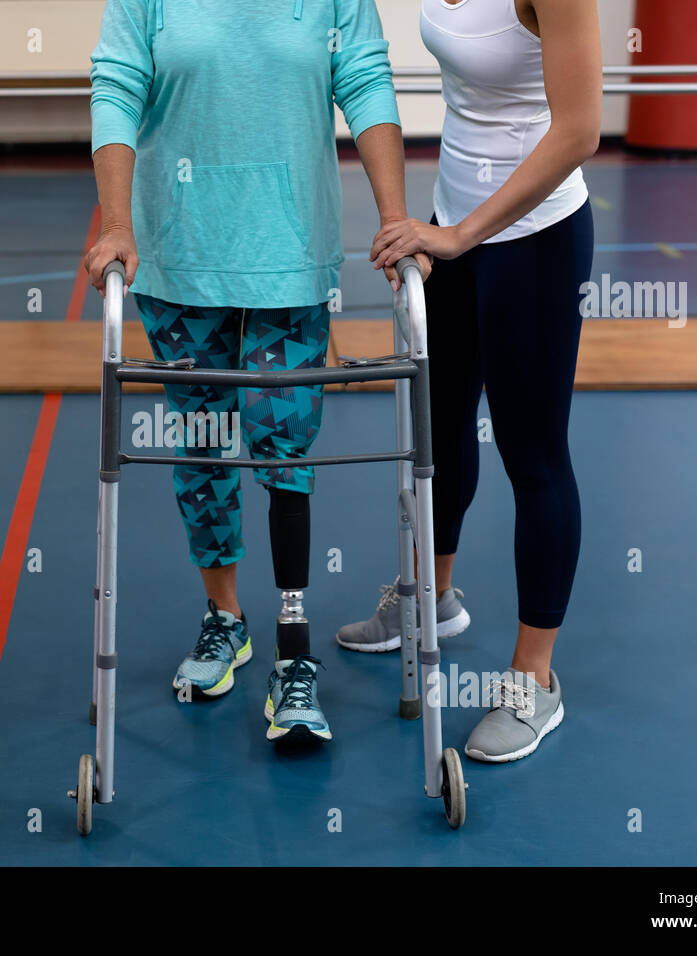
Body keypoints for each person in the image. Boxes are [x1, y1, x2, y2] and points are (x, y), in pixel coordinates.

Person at [86, 0, 428, 744]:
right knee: (204, 447)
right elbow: (116, 85)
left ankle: (294, 651)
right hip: (180, 257)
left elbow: (365, 80)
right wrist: (116, 222)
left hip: (290, 259)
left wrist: (395, 217)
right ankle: (225, 619)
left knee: (283, 451)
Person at [339, 0, 602, 763]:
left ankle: (534, 679)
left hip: (532, 237)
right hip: (454, 222)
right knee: (442, 426)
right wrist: (443, 227)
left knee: (534, 454)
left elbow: (580, 129)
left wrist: (460, 234)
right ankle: (433, 596)